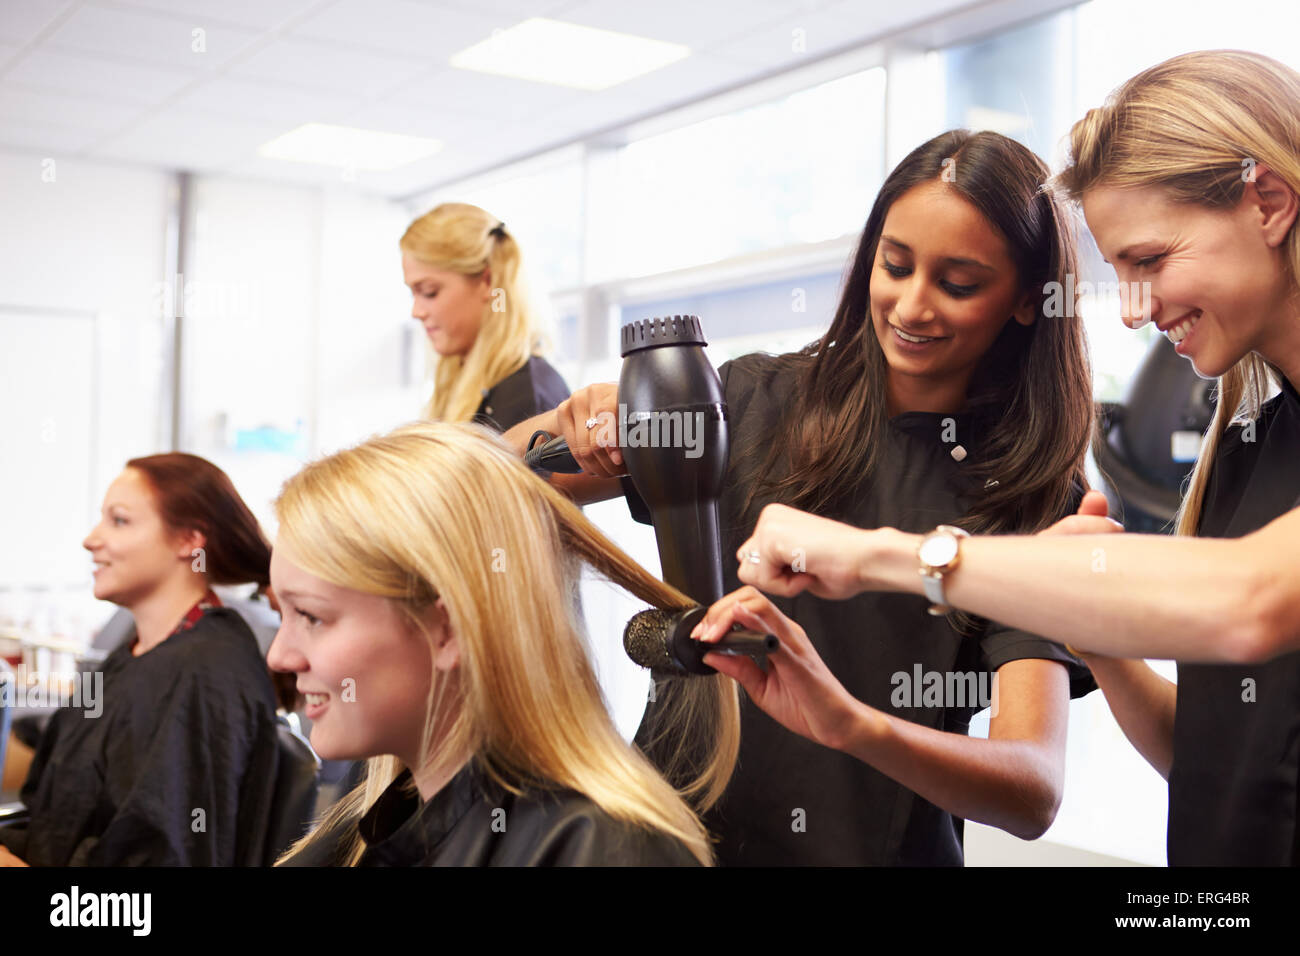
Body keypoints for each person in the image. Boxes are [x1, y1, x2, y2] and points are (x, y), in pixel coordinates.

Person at [727, 50, 1300, 866]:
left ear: (1268, 201)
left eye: (1150, 261)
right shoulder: (1252, 449)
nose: (1135, 310)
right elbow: (1214, 764)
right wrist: (1092, 629)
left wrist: (883, 556)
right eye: (1118, 273)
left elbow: (1251, 602)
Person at [505, 130, 1097, 865]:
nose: (911, 306)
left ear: (1026, 300)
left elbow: (1032, 788)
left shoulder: (1032, 497)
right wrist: (566, 424)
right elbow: (487, 487)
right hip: (666, 845)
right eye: (895, 264)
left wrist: (850, 724)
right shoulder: (753, 399)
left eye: (959, 283)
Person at [268, 422, 738, 866]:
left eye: (311, 616)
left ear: (449, 629)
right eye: (281, 615)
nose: (279, 656)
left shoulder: (602, 850)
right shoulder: (370, 832)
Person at [0, 454, 280, 867]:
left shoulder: (207, 674)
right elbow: (55, 793)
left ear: (189, 541)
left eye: (119, 521)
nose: (91, 540)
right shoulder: (127, 655)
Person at [402, 202, 569, 432]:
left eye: (429, 292)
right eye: (413, 293)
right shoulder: (465, 378)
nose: (416, 312)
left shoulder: (527, 394)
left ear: (487, 282)